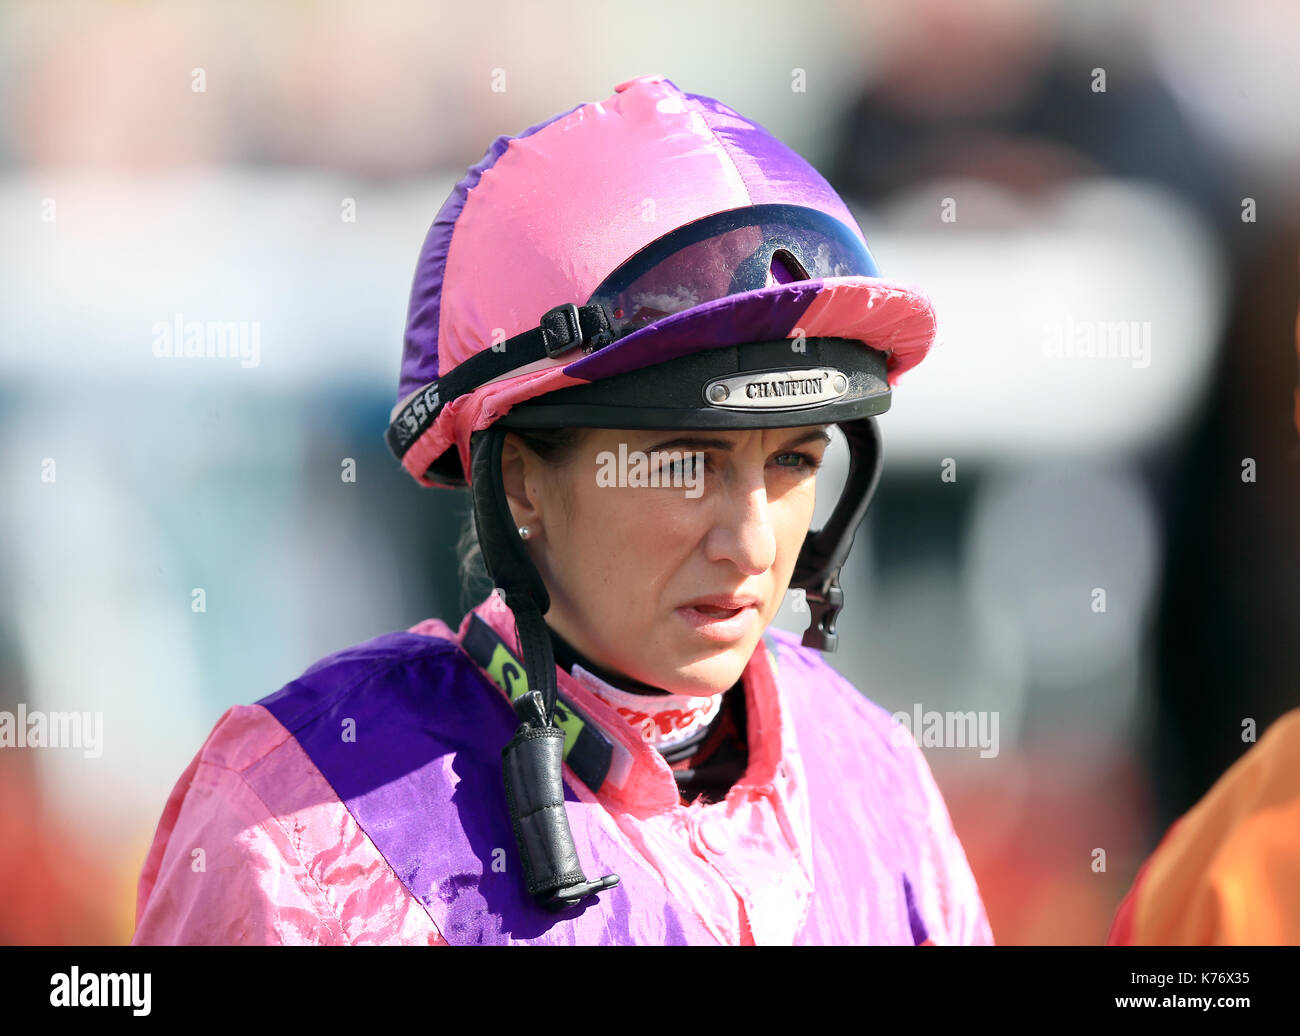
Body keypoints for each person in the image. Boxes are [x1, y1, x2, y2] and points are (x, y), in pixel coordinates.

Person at [130, 73, 994, 946]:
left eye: (794, 461)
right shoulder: (298, 817)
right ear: (520, 484)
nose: (751, 543)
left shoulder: (876, 771)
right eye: (685, 466)